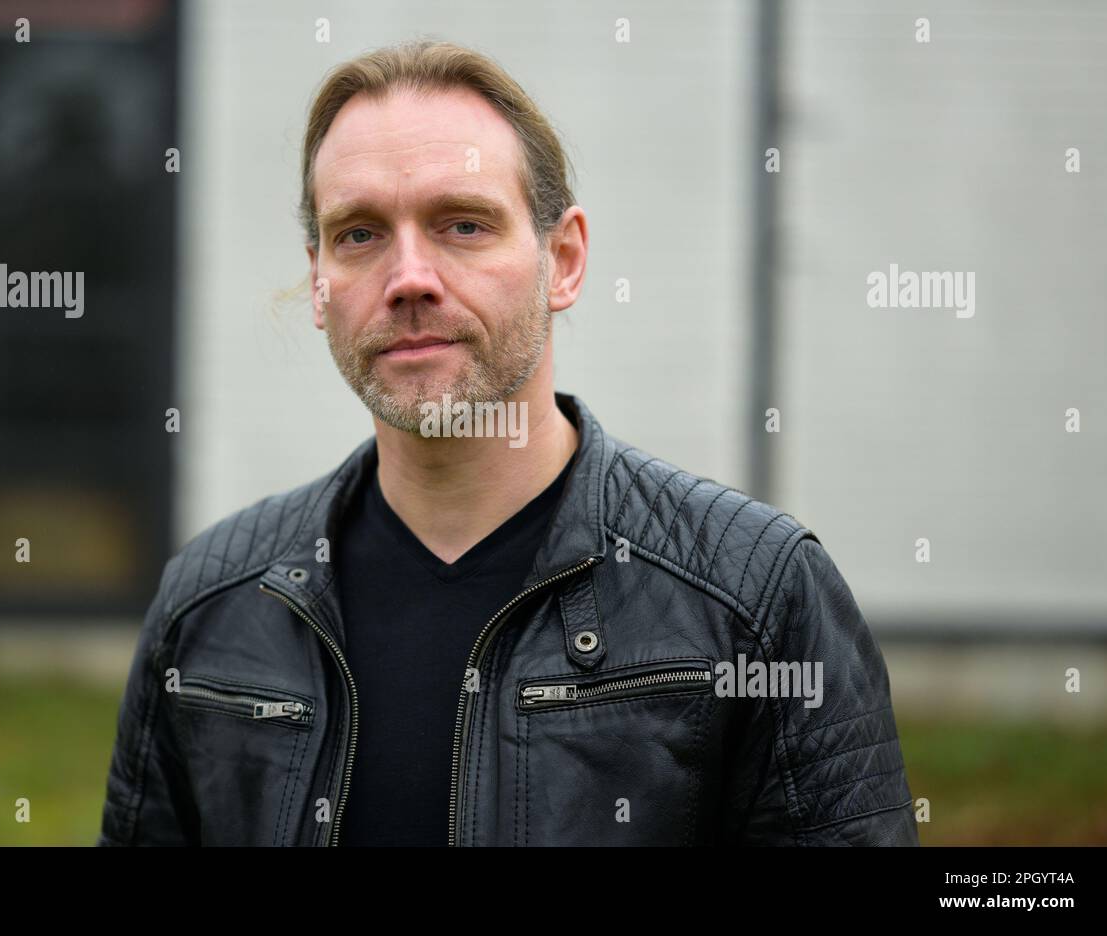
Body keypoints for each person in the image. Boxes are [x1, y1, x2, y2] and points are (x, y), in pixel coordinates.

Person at [98, 38, 918, 846]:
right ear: (318, 281)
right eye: (359, 234)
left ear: (563, 260)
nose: (409, 276)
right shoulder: (210, 608)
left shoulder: (754, 597)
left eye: (462, 224)